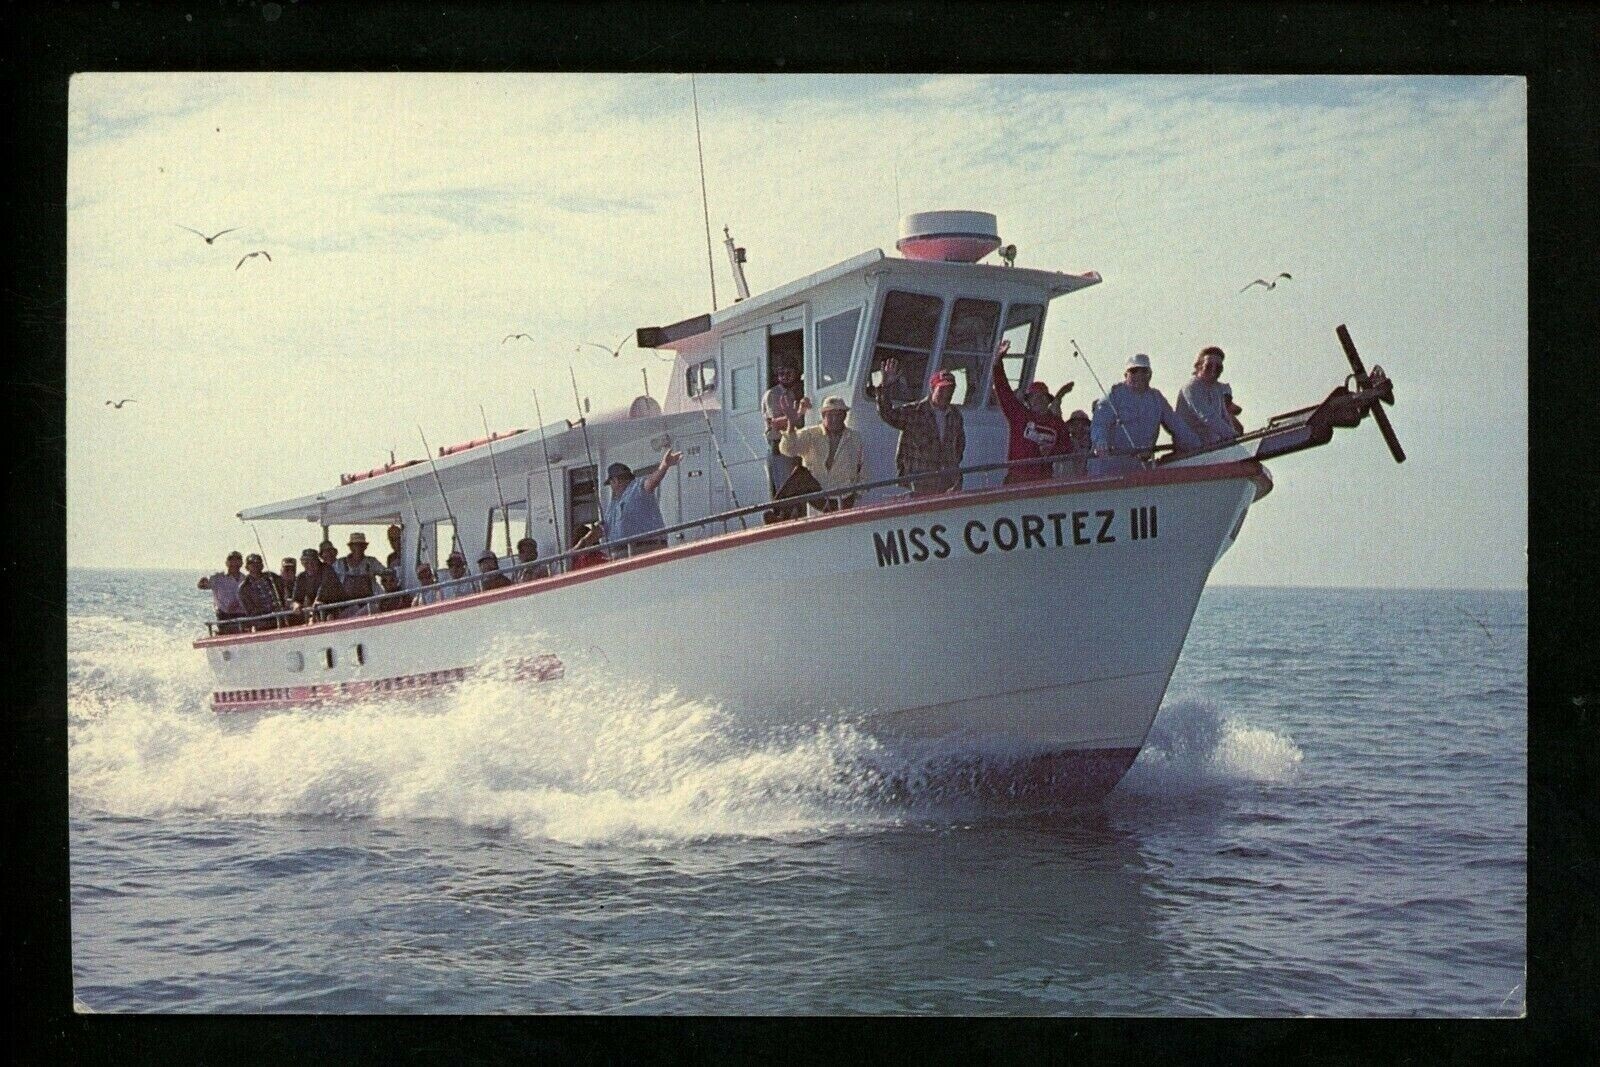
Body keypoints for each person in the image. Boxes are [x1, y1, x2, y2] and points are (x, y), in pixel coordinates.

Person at [1088, 354, 1203, 475]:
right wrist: (1100, 441)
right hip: (1108, 467)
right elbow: (1099, 424)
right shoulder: (1114, 394)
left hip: (1139, 466)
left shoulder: (1157, 398)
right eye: (1133, 371)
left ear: (1150, 374)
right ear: (1125, 375)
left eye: (1144, 371)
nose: (1139, 375)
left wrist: (1199, 447)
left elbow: (1177, 425)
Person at [875, 357, 965, 494]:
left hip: (948, 484)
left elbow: (959, 446)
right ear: (932, 389)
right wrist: (885, 387)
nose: (946, 394)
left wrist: (952, 467)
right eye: (942, 389)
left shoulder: (955, 416)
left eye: (950, 389)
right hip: (919, 482)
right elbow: (887, 414)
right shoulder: (914, 412)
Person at [990, 340, 1073, 483]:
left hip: (1044, 479)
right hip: (1017, 479)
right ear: (1028, 401)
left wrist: (1052, 451)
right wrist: (998, 363)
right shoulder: (1018, 415)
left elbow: (1067, 448)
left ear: (1048, 400)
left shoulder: (1057, 423)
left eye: (1042, 397)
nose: (1038, 400)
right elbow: (1003, 391)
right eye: (1034, 397)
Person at [776, 395, 865, 512]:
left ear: (844, 416)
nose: (835, 419)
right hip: (819, 497)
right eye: (830, 415)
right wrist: (791, 425)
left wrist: (858, 493)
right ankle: (777, 514)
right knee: (800, 474)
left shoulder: (855, 438)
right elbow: (787, 450)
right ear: (823, 416)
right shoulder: (811, 434)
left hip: (844, 498)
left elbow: (863, 467)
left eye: (838, 415)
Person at [600, 448, 682, 557]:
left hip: (645, 549)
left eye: (611, 483)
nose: (611, 487)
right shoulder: (613, 503)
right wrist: (584, 542)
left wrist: (664, 466)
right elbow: (604, 527)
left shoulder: (637, 487)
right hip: (621, 554)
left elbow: (652, 482)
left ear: (615, 481)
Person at [1176, 345, 1243, 446]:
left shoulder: (1217, 388)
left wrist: (1237, 438)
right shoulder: (1191, 387)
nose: (1213, 371)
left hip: (1212, 446)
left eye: (1218, 368)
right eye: (1209, 366)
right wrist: (1233, 437)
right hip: (1191, 450)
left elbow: (1225, 417)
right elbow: (1207, 417)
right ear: (1199, 366)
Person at [761, 361, 806, 495]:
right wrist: (801, 414)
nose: (785, 376)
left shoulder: (800, 391)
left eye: (788, 373)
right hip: (780, 448)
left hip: (800, 444)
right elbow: (776, 423)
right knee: (787, 490)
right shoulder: (773, 394)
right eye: (781, 373)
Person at [335, 531, 388, 614]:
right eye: (355, 545)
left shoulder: (372, 562)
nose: (358, 548)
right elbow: (329, 582)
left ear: (365, 547)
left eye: (361, 545)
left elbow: (386, 573)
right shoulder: (339, 563)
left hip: (367, 603)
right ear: (350, 547)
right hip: (345, 605)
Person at [197, 550, 248, 633]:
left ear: (241, 563)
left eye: (237, 559)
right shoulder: (218, 577)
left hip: (243, 614)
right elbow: (201, 585)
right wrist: (203, 582)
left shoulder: (245, 579)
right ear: (226, 563)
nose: (234, 562)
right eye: (231, 560)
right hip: (224, 615)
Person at [236, 553, 283, 630]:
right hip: (261, 624)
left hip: (280, 619)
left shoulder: (273, 577)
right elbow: (249, 610)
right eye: (252, 563)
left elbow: (283, 592)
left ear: (262, 565)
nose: (255, 565)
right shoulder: (244, 587)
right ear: (247, 567)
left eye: (258, 562)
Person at [312, 540, 350, 618]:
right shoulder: (322, 570)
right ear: (321, 556)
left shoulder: (344, 563)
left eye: (330, 551)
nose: (328, 554)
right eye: (325, 552)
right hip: (330, 604)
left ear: (335, 553)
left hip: (347, 600)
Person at [1060, 410, 1093, 479]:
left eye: (1083, 424)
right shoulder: (1066, 443)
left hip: (1090, 480)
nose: (1080, 427)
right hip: (1070, 481)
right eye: (1076, 424)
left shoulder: (1093, 443)